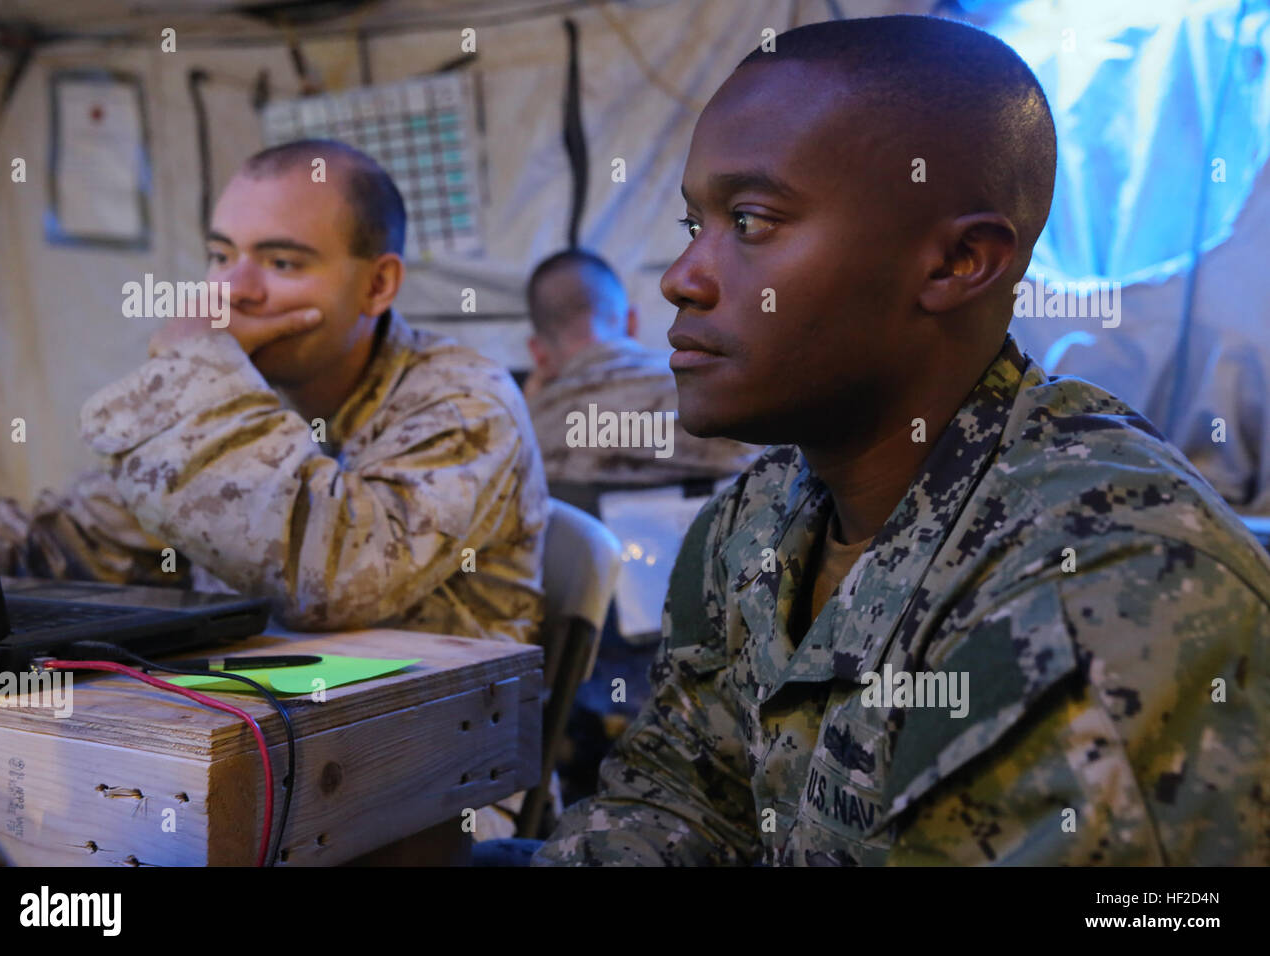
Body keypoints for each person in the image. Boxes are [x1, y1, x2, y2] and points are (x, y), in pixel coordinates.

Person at [534, 16, 1270, 866]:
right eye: (690, 224)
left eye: (750, 219)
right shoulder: (753, 523)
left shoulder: (1109, 591)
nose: (682, 277)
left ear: (959, 262)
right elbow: (676, 804)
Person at [0, 139, 547, 647]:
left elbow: (330, 579)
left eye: (282, 263)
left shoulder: (469, 402)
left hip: (426, 746)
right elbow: (72, 546)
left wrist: (197, 373)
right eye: (221, 257)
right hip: (260, 733)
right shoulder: (245, 391)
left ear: (377, 285)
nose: (234, 291)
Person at [523, 248, 758, 488]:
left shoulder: (526, 440)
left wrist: (526, 407)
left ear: (538, 353)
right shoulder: (720, 396)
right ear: (632, 322)